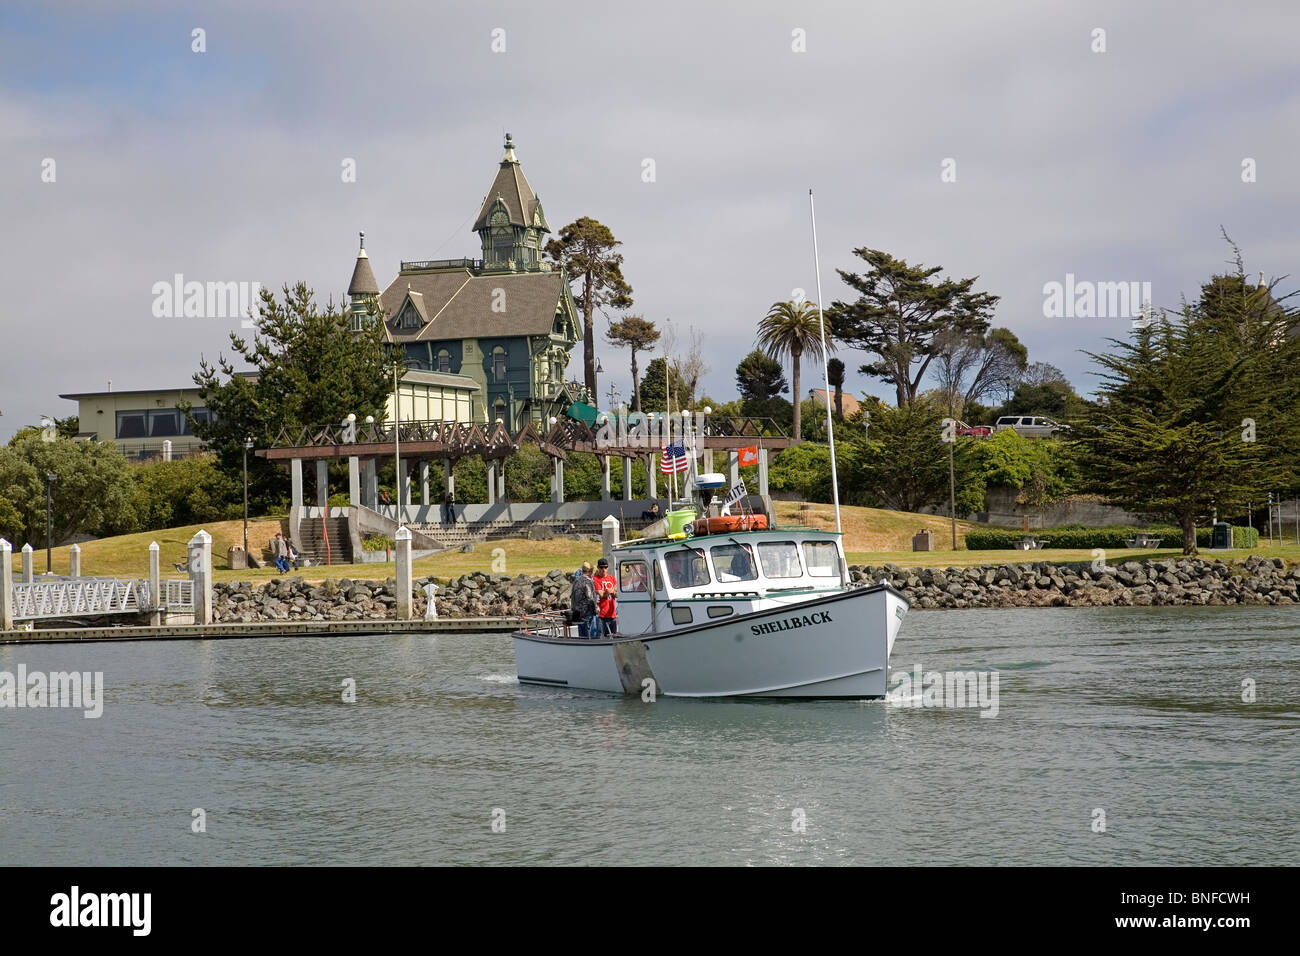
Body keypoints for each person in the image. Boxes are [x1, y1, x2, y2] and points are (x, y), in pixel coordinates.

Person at [570, 562, 597, 638]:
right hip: (587, 614)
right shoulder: (588, 581)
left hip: (578, 614)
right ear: (591, 571)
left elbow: (573, 597)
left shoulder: (576, 581)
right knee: (591, 637)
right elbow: (590, 598)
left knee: (582, 638)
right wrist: (595, 610)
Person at [593, 557, 618, 636]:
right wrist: (609, 591)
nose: (603, 569)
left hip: (612, 614)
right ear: (598, 567)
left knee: (613, 638)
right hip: (601, 616)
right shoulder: (595, 579)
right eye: (601, 567)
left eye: (605, 567)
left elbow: (617, 594)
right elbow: (601, 594)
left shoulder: (612, 578)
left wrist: (609, 591)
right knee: (602, 638)